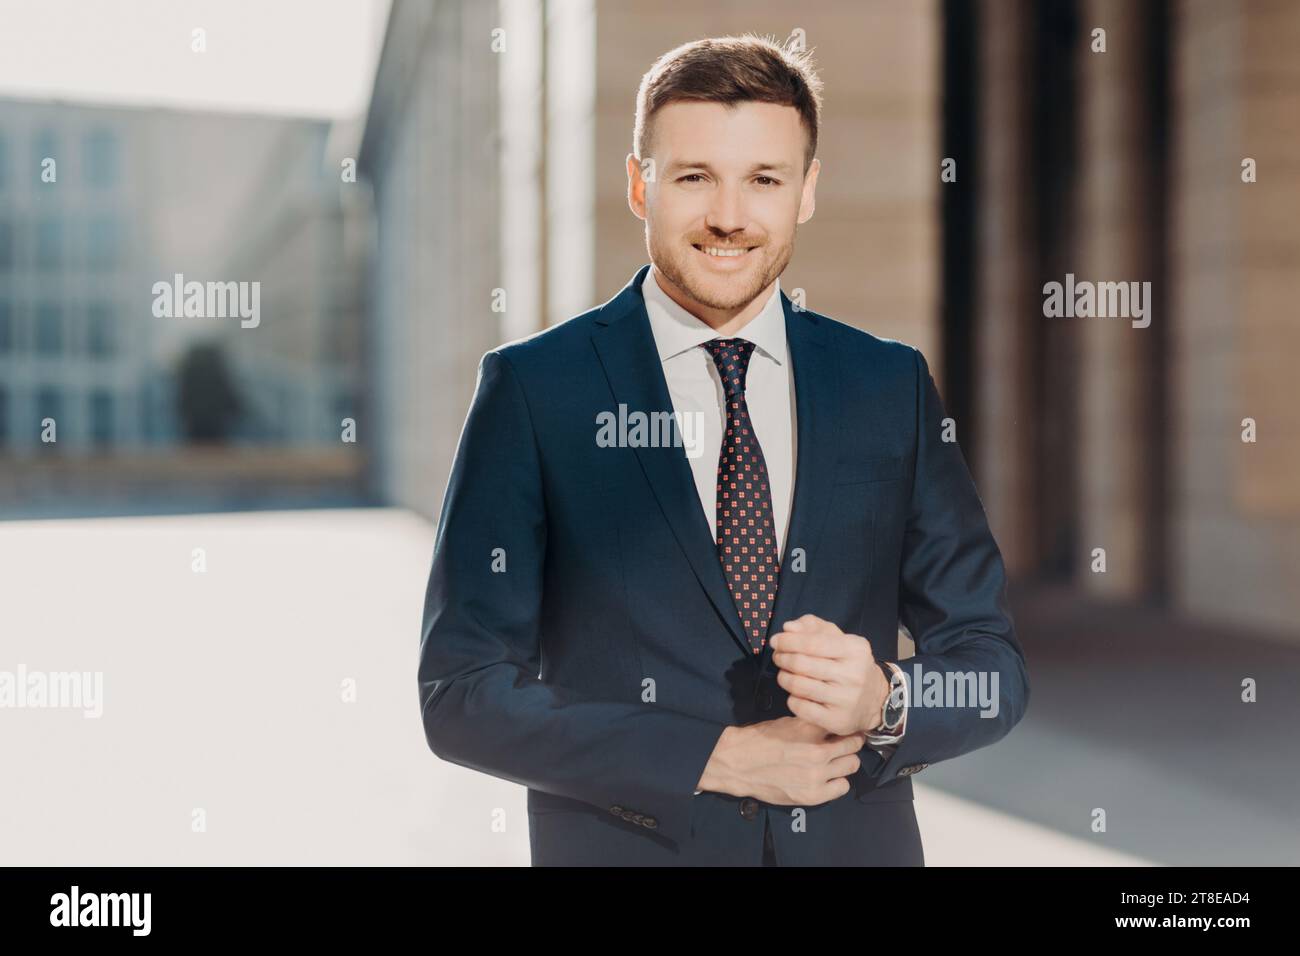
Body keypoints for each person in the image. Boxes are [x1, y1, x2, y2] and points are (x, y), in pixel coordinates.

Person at [418, 34, 1029, 866]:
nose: (730, 217)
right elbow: (461, 693)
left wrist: (888, 699)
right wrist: (712, 758)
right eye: (695, 176)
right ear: (641, 185)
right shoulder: (534, 391)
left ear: (807, 192)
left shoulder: (886, 386)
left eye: (764, 180)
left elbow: (991, 666)